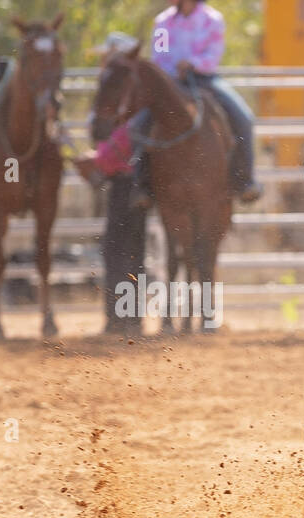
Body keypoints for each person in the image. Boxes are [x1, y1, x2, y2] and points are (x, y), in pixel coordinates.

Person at [134, 0, 261, 203]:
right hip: (170, 83)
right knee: (138, 123)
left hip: (204, 79)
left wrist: (193, 64)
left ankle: (244, 180)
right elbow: (159, 56)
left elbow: (213, 55)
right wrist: (171, 74)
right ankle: (143, 185)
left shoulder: (212, 20)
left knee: (243, 117)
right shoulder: (163, 22)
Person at [77, 32, 149, 332]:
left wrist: (97, 159)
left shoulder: (125, 91)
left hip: (125, 177)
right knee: (127, 247)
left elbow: (121, 139)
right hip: (125, 177)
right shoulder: (122, 89)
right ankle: (126, 317)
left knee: (120, 246)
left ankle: (121, 318)